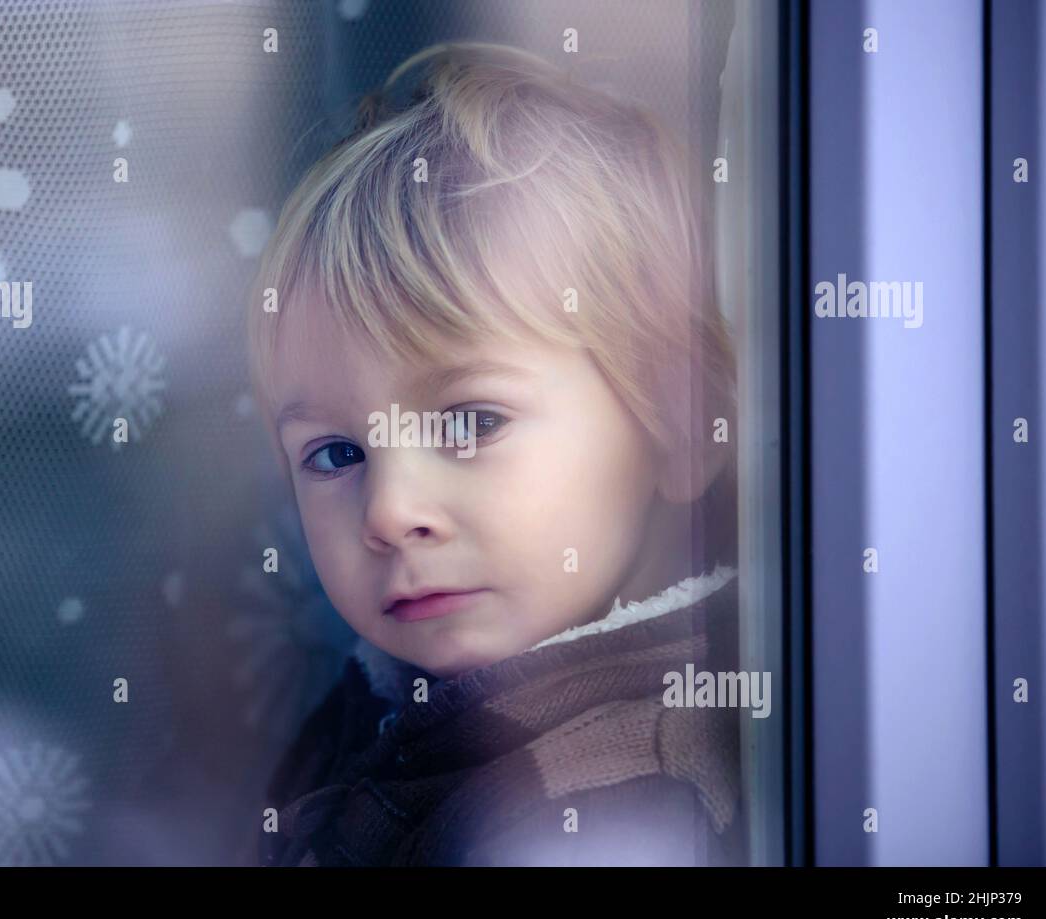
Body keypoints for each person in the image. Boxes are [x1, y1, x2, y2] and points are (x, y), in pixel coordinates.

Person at [244, 41, 742, 866]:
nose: (391, 514)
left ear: (682, 425)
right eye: (335, 454)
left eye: (472, 423)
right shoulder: (377, 713)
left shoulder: (619, 813)